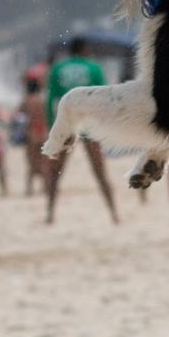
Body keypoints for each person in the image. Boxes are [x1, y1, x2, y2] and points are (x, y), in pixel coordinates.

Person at [45, 38, 120, 224]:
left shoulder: (57, 69)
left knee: (56, 172)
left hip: (66, 124)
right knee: (100, 173)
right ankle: (114, 214)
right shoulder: (93, 68)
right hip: (89, 124)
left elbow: (50, 100)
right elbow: (103, 97)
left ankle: (50, 214)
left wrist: (51, 127)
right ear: (85, 49)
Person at [21, 64, 52, 197]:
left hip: (32, 133)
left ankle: (29, 189)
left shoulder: (26, 101)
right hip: (44, 133)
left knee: (32, 163)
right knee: (45, 163)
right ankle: (45, 188)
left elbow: (19, 117)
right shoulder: (44, 101)